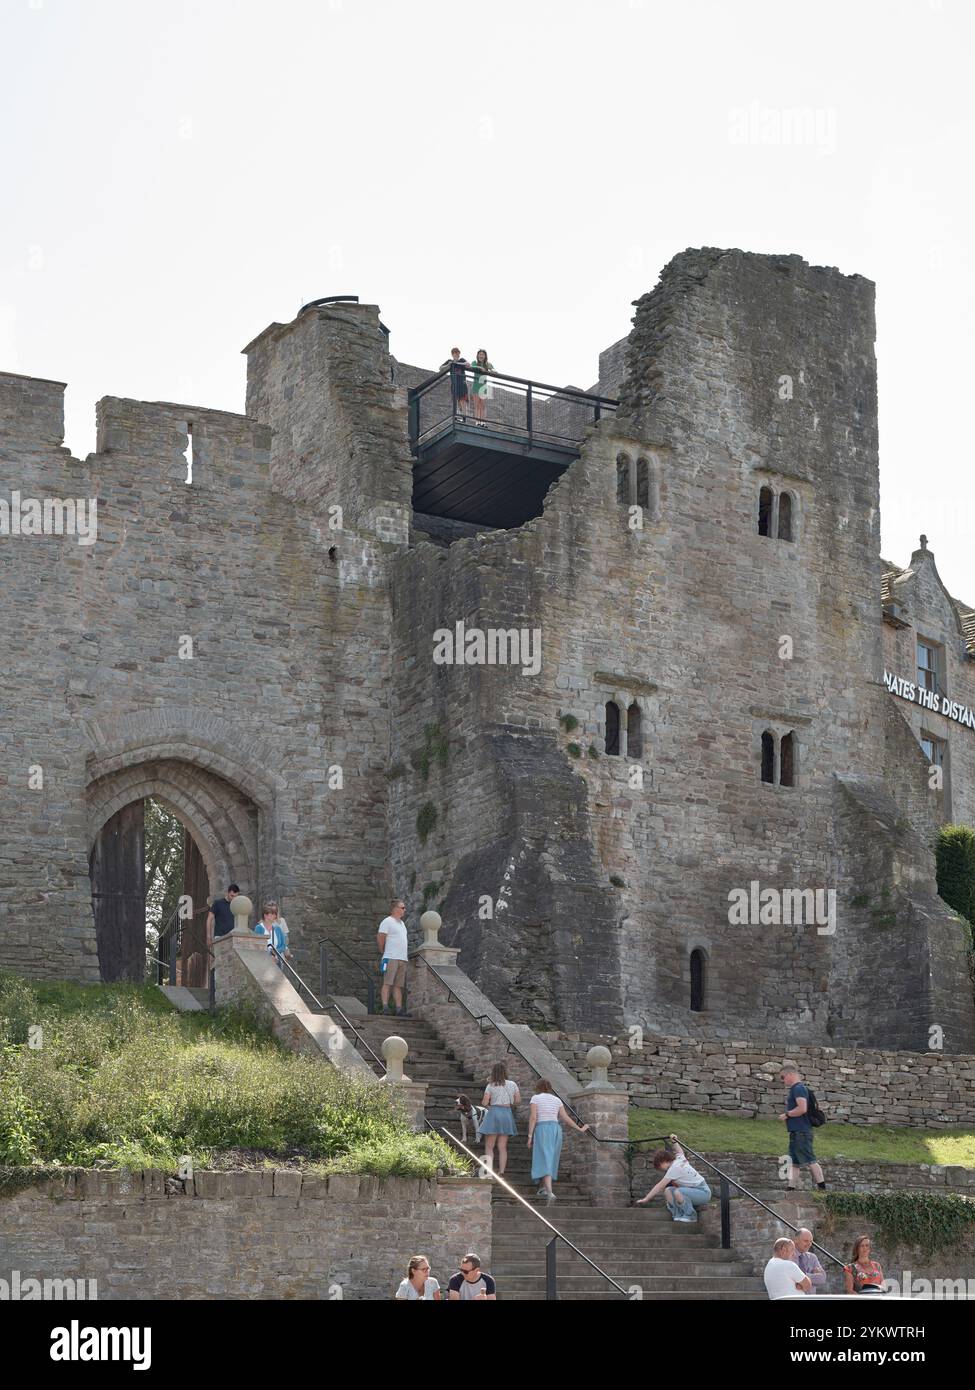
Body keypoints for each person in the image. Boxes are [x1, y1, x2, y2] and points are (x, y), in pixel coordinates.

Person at [527, 1078, 589, 1205]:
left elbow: (533, 1117)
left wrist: (529, 1136)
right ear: (550, 1088)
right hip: (556, 1130)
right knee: (550, 1159)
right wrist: (580, 1129)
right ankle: (543, 1188)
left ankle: (549, 1192)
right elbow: (565, 1117)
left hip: (542, 1129)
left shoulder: (535, 1098)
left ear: (538, 1088)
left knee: (544, 1159)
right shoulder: (557, 1100)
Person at [634, 1136, 712, 1222]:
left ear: (664, 1161)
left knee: (678, 1192)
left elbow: (660, 1186)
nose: (660, 1169)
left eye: (659, 1165)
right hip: (692, 1191)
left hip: (703, 1193)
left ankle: (691, 1215)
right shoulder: (678, 1159)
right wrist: (674, 1142)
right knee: (668, 1190)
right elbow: (679, 1151)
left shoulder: (674, 1168)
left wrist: (646, 1199)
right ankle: (677, 1214)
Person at [778, 1061, 826, 1190]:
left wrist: (787, 1115)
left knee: (810, 1159)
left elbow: (802, 1108)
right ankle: (791, 1188)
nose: (782, 1081)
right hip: (797, 1131)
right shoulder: (797, 1088)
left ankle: (822, 1187)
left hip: (801, 1132)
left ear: (790, 1074)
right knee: (795, 1161)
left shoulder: (798, 1088)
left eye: (783, 1077)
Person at [478, 1062, 520, 1179]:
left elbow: (484, 1103)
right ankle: (501, 1172)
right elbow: (518, 1100)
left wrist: (489, 1105)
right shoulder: (513, 1084)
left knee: (489, 1146)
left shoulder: (490, 1085)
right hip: (507, 1114)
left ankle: (489, 1172)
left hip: (494, 1113)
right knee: (502, 1146)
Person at [377, 899, 409, 1015]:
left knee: (398, 985)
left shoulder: (402, 924)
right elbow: (381, 937)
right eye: (402, 907)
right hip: (391, 957)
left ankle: (399, 1009)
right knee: (387, 982)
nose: (404, 910)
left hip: (402, 958)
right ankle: (385, 1007)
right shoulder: (387, 921)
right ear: (395, 908)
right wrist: (382, 951)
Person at [792, 1227, 827, 1294]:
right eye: (806, 1241)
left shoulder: (812, 1257)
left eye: (811, 1241)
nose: (809, 1244)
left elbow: (822, 1278)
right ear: (796, 1240)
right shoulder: (789, 1256)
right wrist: (812, 1276)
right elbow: (792, 1280)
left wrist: (801, 1277)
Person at [441, 347, 469, 416]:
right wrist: (449, 364)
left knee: (463, 401)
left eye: (457, 353)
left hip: (462, 384)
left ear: (459, 353)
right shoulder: (450, 361)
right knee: (455, 401)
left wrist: (457, 363)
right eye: (455, 353)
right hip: (454, 385)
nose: (456, 354)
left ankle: (464, 418)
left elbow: (468, 364)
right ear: (452, 354)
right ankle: (457, 417)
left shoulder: (462, 360)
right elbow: (440, 368)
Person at [470, 348, 494, 421]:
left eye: (483, 354)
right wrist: (480, 367)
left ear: (485, 356)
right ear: (477, 356)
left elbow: (492, 369)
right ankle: (478, 421)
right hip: (476, 386)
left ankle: (483, 422)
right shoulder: (475, 362)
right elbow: (471, 366)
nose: (481, 356)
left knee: (483, 405)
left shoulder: (487, 364)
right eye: (480, 354)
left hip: (483, 387)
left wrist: (493, 370)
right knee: (477, 405)